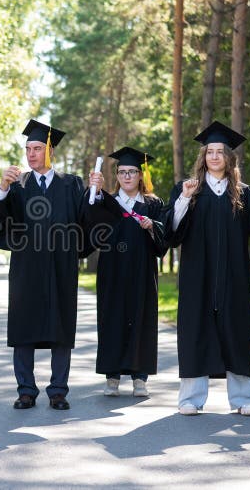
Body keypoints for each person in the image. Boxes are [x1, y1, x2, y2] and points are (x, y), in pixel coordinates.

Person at [165, 121, 250, 417]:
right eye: (210, 151)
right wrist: (183, 198)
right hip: (198, 276)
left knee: (237, 331)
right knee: (195, 329)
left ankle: (244, 398)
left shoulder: (244, 194)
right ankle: (191, 399)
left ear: (229, 158)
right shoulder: (189, 190)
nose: (215, 156)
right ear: (203, 157)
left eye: (220, 151)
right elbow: (172, 230)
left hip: (234, 276)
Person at [0, 119, 101, 411]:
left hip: (61, 266)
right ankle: (26, 390)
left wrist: (95, 192)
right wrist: (1, 187)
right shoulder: (17, 185)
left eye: (37, 148)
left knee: (61, 328)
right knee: (24, 328)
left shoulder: (71, 184)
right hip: (27, 268)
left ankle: (58, 391)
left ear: (50, 150)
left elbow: (87, 218)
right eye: (28, 149)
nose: (31, 154)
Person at [85, 147, 167, 398]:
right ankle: (112, 376)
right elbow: (89, 225)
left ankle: (140, 378)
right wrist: (94, 193)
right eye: (122, 172)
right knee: (112, 319)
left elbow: (165, 239)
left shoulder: (153, 204)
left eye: (132, 171)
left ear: (141, 175)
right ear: (117, 176)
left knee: (141, 319)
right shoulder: (107, 201)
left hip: (142, 271)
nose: (127, 176)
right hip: (112, 272)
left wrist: (153, 226)